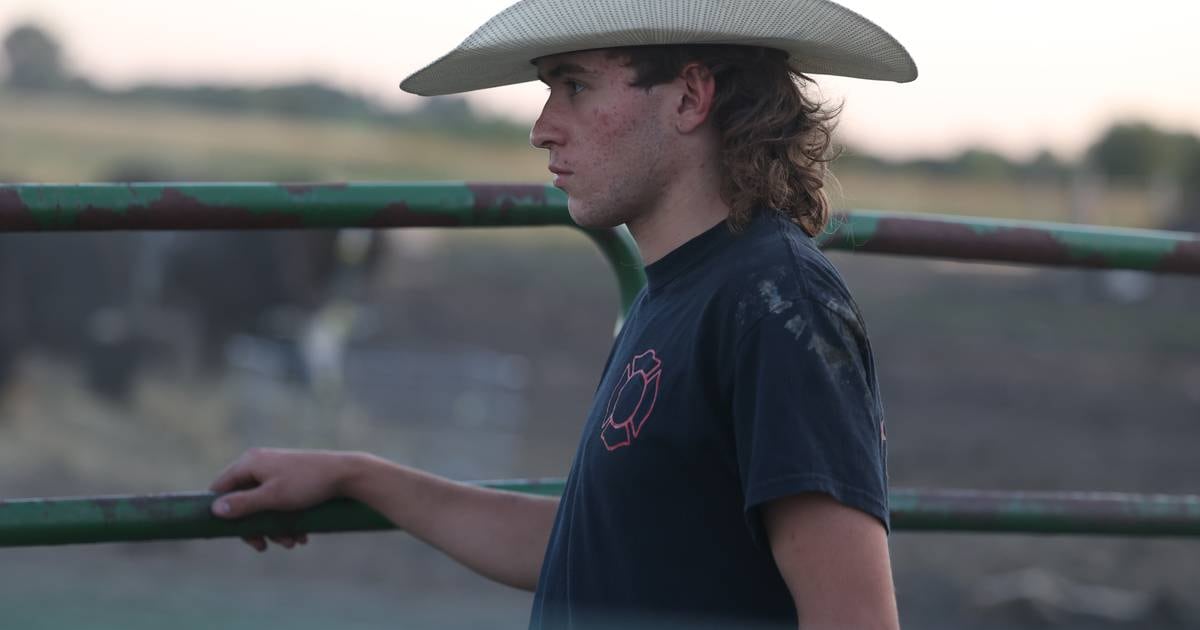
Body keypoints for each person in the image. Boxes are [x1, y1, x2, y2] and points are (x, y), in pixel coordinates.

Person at [209, 1, 917, 628]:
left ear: (690, 97)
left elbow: (852, 616)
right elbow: (593, 545)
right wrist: (358, 475)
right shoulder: (681, 293)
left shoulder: (776, 305)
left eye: (574, 86)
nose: (543, 129)